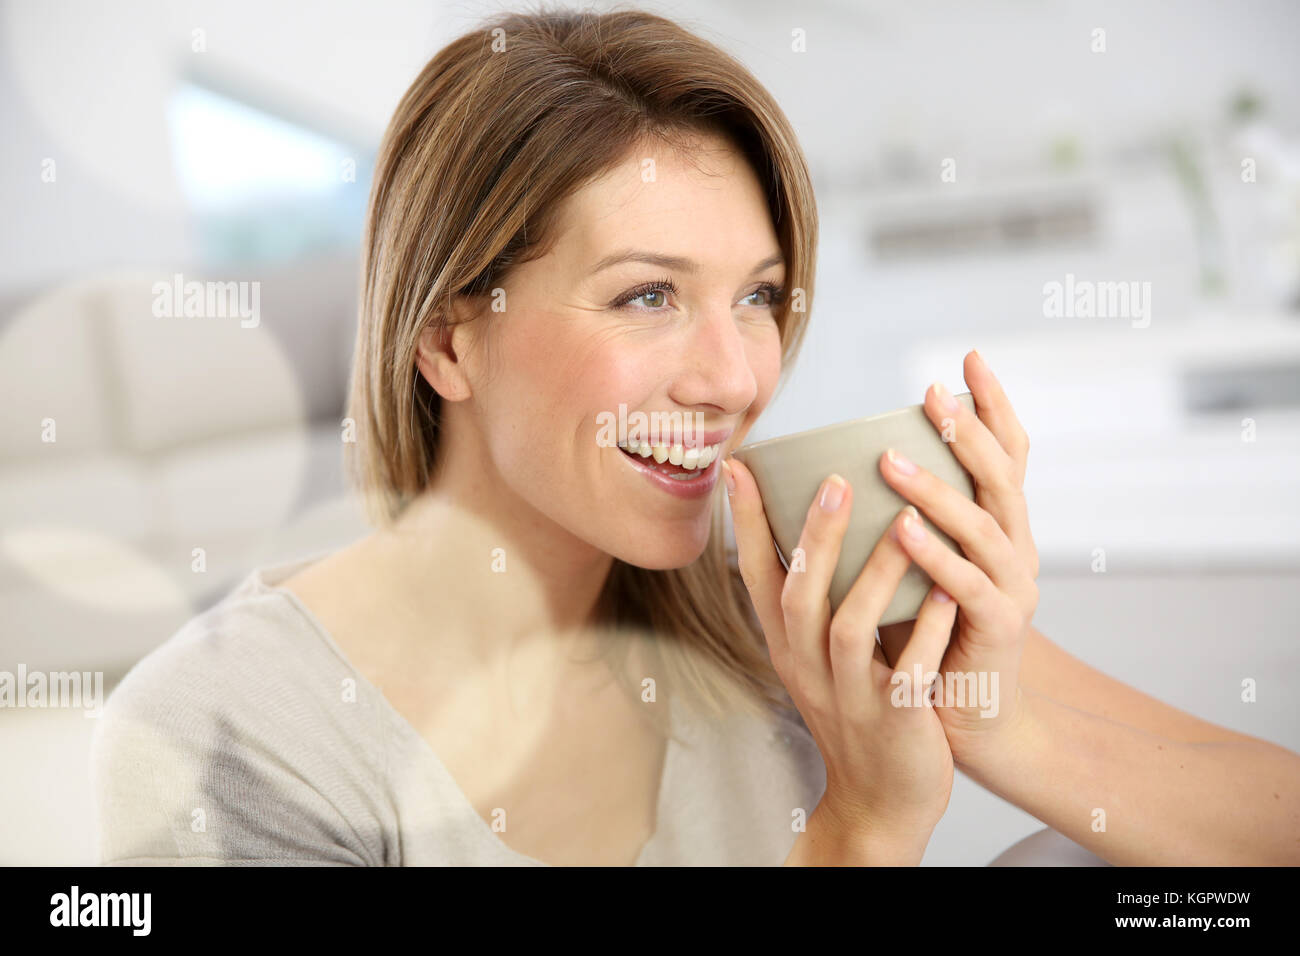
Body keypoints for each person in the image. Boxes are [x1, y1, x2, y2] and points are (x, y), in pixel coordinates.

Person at [91, 6, 1299, 867]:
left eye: (760, 296)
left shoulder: (787, 593)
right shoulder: (225, 736)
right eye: (647, 296)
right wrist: (859, 836)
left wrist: (995, 713)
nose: (736, 377)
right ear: (449, 340)